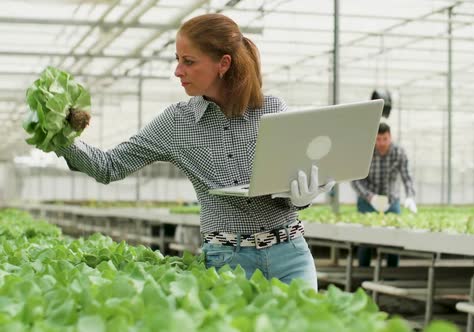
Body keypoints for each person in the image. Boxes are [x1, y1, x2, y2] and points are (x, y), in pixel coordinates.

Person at [53, 13, 333, 290]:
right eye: (177, 60)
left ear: (222, 64)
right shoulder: (176, 123)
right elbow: (110, 166)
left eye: (188, 61)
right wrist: (59, 136)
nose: (178, 71)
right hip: (228, 262)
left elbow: (291, 182)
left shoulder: (272, 111)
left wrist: (303, 199)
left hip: (291, 256)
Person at [351, 122, 417, 268]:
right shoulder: (365, 152)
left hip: (391, 200)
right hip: (368, 201)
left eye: (385, 139)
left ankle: (392, 275)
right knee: (365, 240)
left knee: (393, 239)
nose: (381, 143)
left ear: (390, 137)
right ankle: (363, 273)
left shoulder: (399, 153)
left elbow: (407, 176)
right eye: (378, 139)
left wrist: (410, 196)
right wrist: (370, 197)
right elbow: (355, 180)